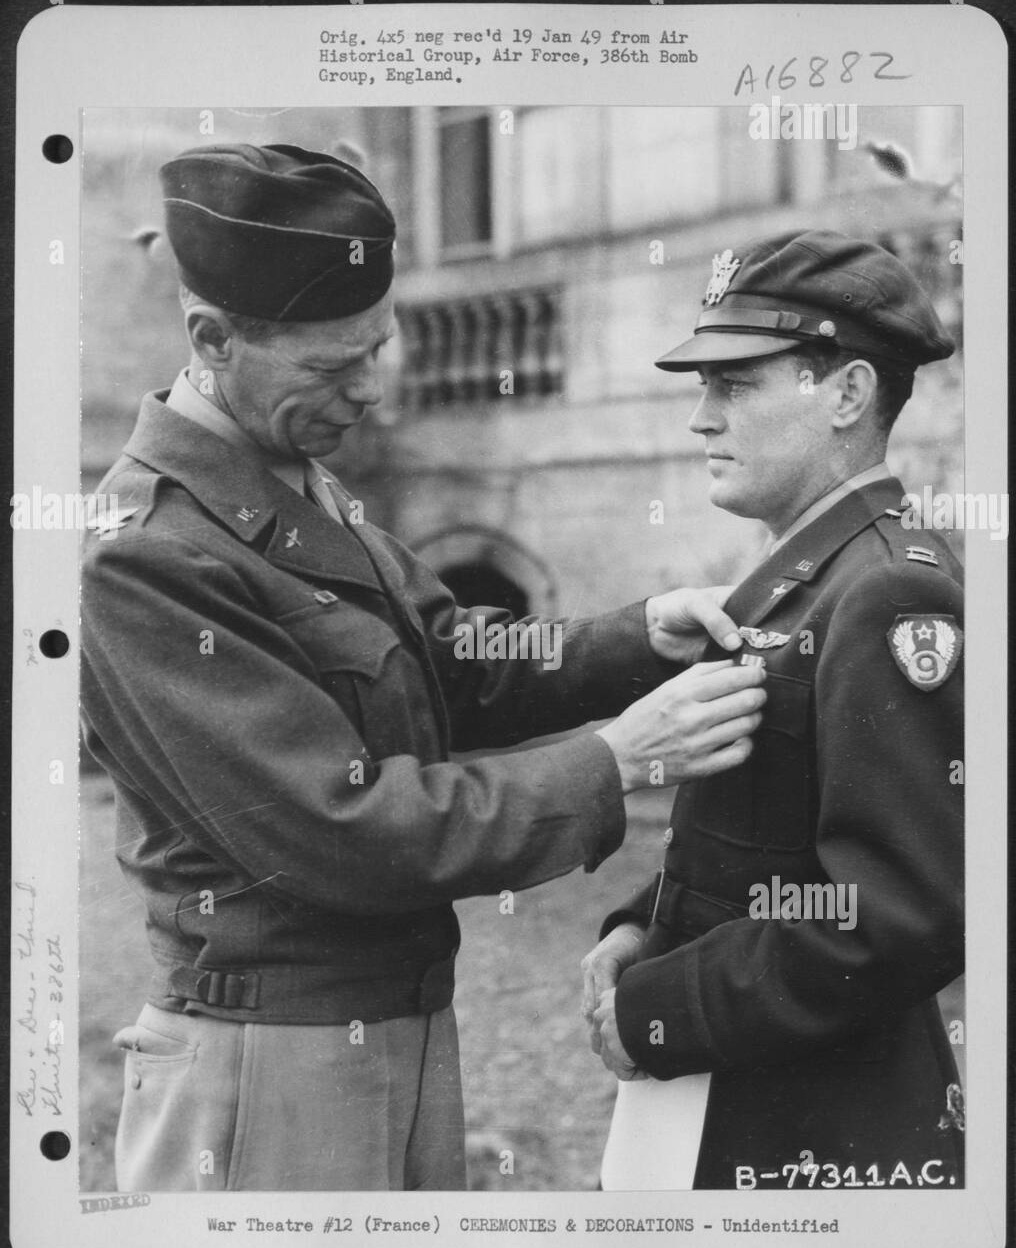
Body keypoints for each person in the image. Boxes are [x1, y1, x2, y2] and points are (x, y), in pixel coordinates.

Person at [80, 142, 767, 1193]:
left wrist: (639, 634)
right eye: (330, 366)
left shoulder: (293, 475)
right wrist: (616, 760)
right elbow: (341, 831)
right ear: (211, 339)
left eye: (379, 346)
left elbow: (453, 661)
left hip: (392, 1026)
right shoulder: (150, 554)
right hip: (267, 1063)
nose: (374, 391)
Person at [583, 229, 965, 1191]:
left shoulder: (888, 592)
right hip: (741, 1085)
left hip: (809, 1123)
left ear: (846, 395)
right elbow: (759, 832)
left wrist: (658, 1005)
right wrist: (639, 925)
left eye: (737, 385)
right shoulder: (806, 573)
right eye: (701, 388)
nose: (701, 420)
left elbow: (898, 911)